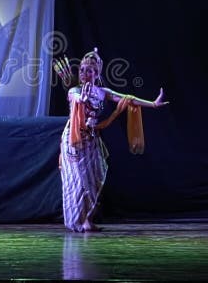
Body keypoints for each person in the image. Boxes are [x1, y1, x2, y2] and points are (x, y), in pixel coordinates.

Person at [52, 47, 169, 233]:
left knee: (96, 177)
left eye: (89, 70)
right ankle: (78, 220)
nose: (84, 73)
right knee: (79, 180)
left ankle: (87, 219)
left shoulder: (102, 91)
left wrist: (152, 104)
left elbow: (128, 99)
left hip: (91, 139)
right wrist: (81, 99)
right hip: (74, 140)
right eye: (82, 69)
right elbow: (75, 99)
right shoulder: (74, 90)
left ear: (97, 72)